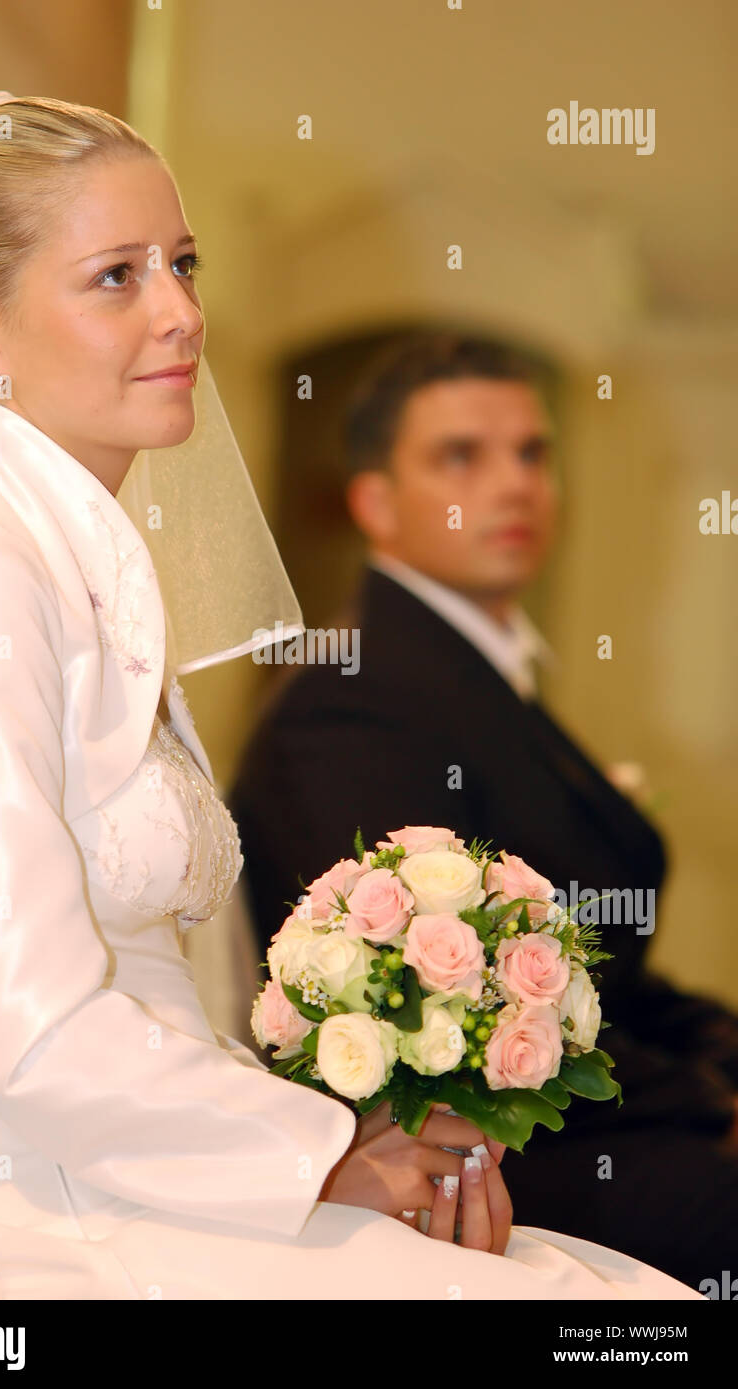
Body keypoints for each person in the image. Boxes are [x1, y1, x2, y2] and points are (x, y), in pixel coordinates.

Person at [0, 86, 700, 1301]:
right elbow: (27, 1033)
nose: (182, 313)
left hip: (151, 1173)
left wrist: (367, 1156)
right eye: (117, 276)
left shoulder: (79, 557)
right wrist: (324, 1164)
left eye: (184, 263)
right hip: (45, 1210)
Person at [229, 334, 738, 1291]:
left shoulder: (482, 677)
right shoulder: (355, 700)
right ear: (374, 499)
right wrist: (712, 1103)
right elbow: (449, 1021)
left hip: (615, 1119)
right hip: (503, 1163)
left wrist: (724, 1057)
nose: (512, 485)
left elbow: (614, 976)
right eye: (461, 455)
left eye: (532, 453)